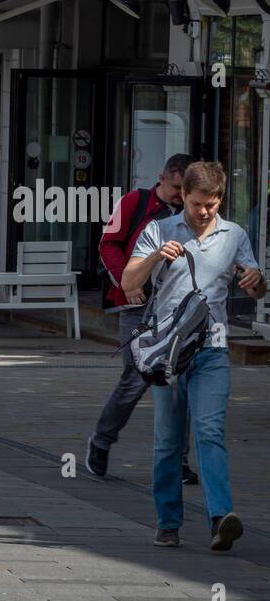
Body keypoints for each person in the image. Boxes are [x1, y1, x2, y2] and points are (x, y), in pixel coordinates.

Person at [121, 160, 266, 551]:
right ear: (182, 194)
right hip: (167, 352)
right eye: (198, 203)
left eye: (213, 204)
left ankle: (221, 518)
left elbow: (256, 289)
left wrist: (256, 282)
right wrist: (155, 258)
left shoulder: (233, 234)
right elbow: (128, 281)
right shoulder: (159, 229)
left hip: (212, 349)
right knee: (168, 441)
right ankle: (168, 522)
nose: (205, 212)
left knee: (209, 431)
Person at [88, 153, 198, 482]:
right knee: (135, 381)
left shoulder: (194, 211)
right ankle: (102, 440)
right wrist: (127, 282)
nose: (181, 194)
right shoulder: (135, 202)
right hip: (137, 306)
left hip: (178, 309)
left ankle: (177, 460)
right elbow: (108, 245)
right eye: (177, 187)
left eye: (186, 189)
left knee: (179, 382)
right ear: (162, 178)